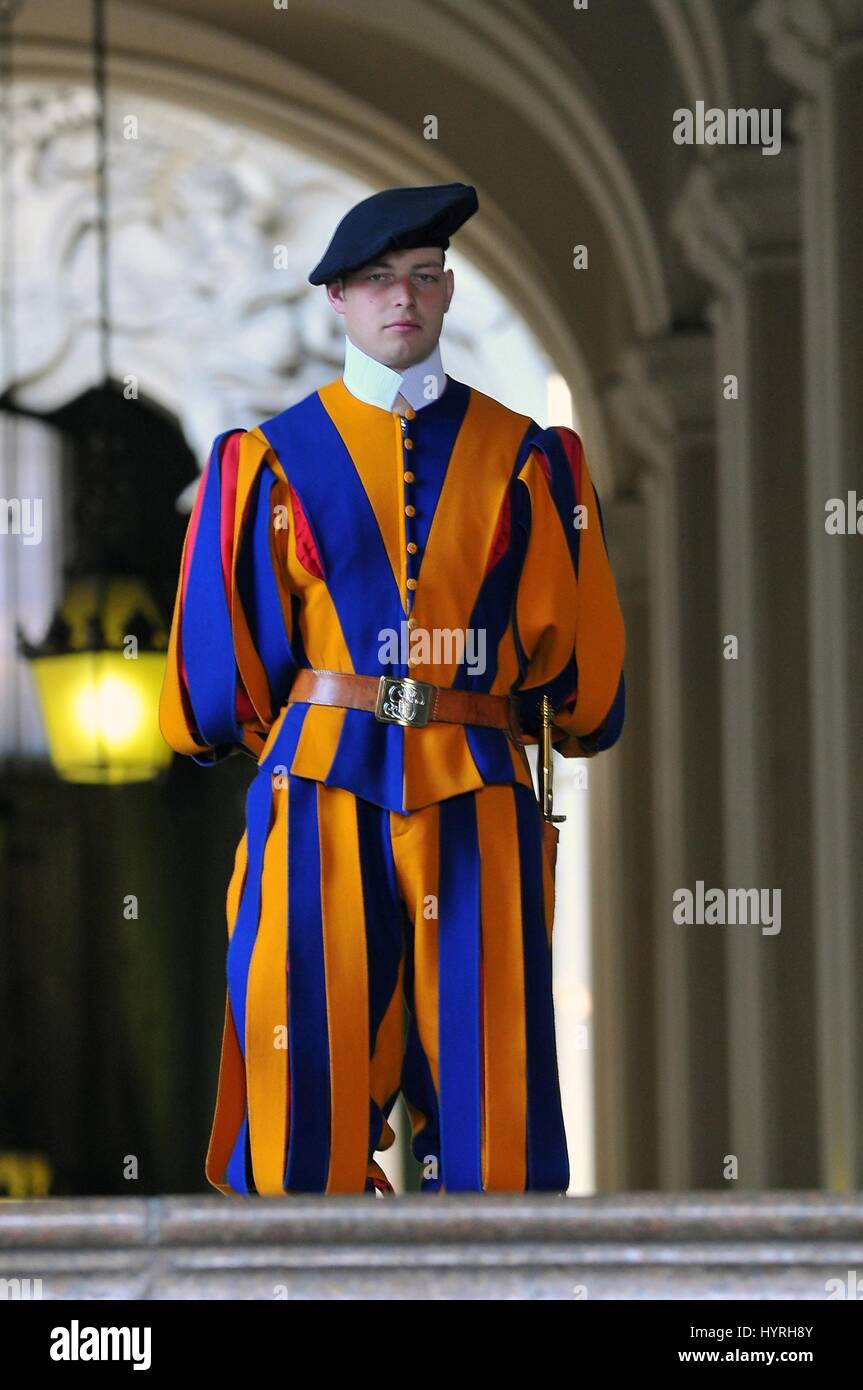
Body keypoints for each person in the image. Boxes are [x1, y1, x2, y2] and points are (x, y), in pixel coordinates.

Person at [158, 181, 626, 1197]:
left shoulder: (527, 457)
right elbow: (218, 678)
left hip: (474, 779)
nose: (401, 298)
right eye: (377, 280)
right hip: (321, 784)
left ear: (448, 290)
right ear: (335, 298)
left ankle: (489, 1276)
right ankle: (309, 1273)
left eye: (421, 277)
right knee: (302, 1056)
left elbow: (580, 672)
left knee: (490, 1073)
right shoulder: (266, 459)